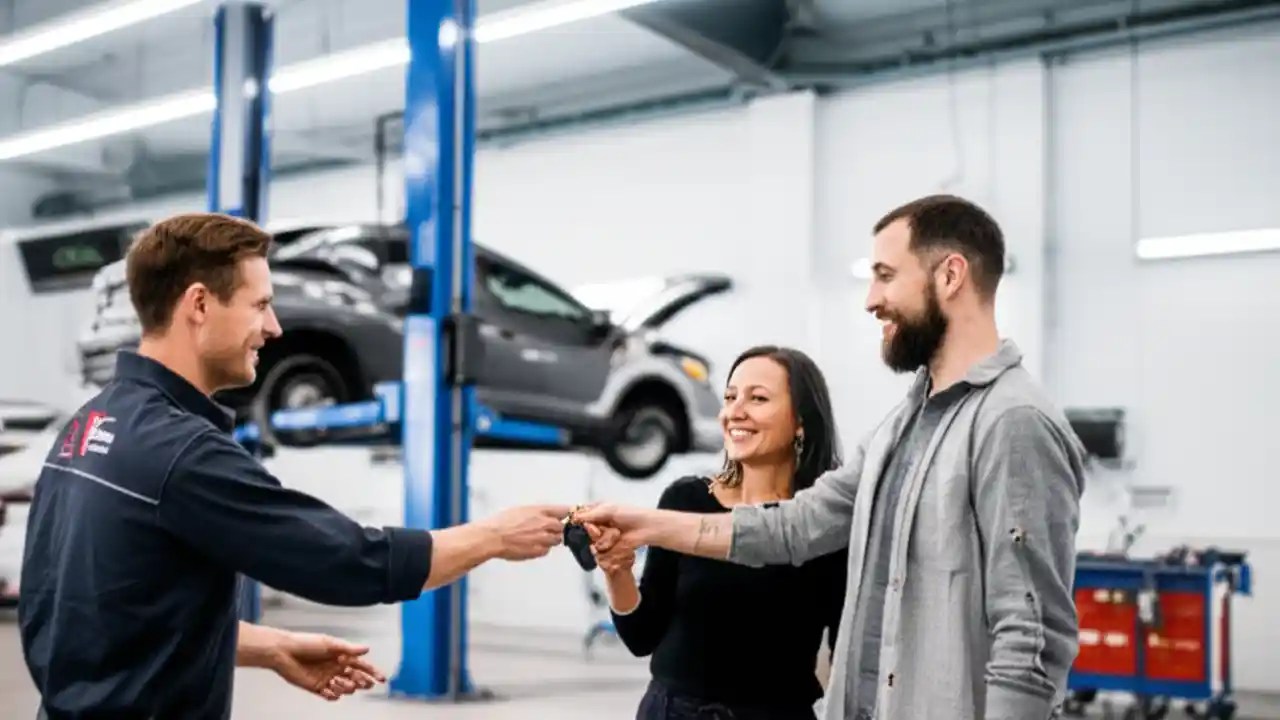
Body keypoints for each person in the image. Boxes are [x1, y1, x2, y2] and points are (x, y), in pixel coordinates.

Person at [19, 213, 570, 720]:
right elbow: (351, 562)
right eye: (260, 305)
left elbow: (98, 609)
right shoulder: (183, 454)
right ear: (199, 304)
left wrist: (269, 646)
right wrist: (495, 535)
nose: (275, 327)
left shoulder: (88, 426)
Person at [580, 194, 1087, 720]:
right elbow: (792, 527)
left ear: (950, 275)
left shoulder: (1012, 422)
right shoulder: (902, 425)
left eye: (886, 276)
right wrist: (645, 524)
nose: (871, 299)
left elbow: (1029, 641)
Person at [587, 345, 847, 720]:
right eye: (730, 397)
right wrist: (617, 572)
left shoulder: (825, 522)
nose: (735, 411)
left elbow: (846, 652)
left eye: (758, 398)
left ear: (801, 421)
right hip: (671, 711)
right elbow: (640, 635)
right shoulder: (686, 499)